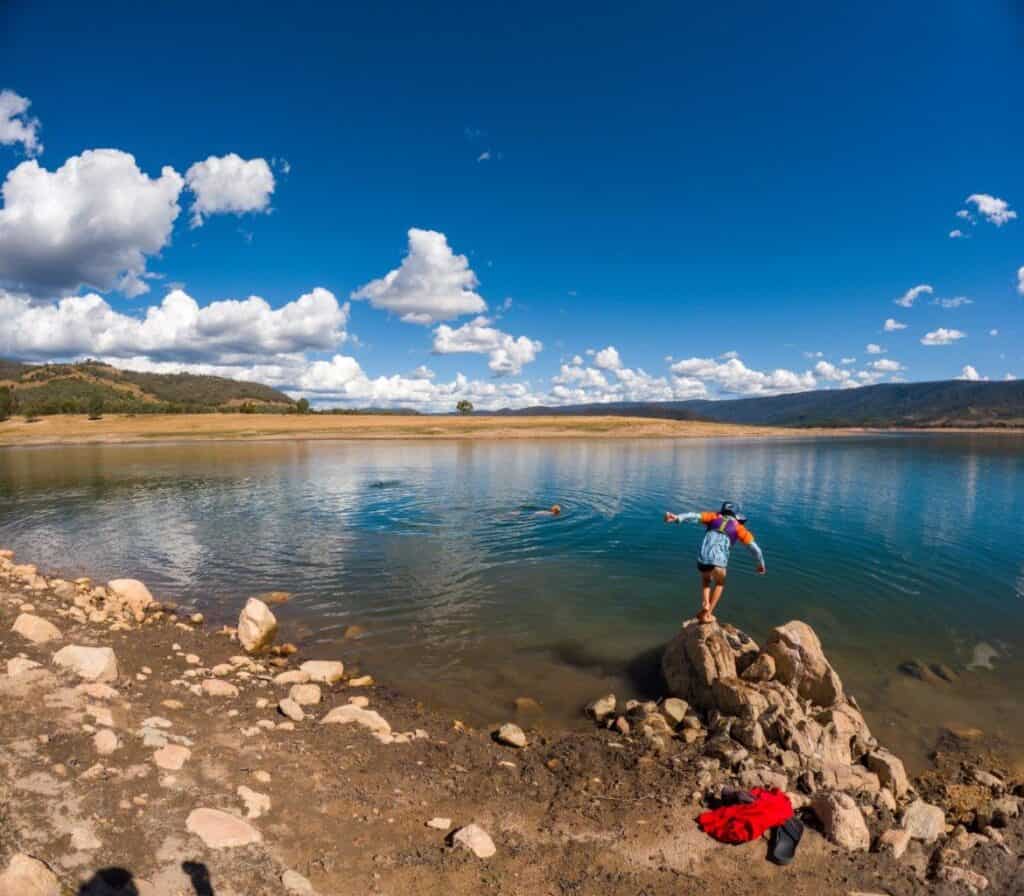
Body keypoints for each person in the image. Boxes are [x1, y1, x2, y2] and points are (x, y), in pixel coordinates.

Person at [664, 501, 765, 624]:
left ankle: (706, 603)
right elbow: (756, 549)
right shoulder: (739, 528)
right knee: (720, 583)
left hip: (703, 559)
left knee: (706, 580)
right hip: (719, 561)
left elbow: (693, 515)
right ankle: (708, 614)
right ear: (736, 515)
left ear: (722, 510)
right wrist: (760, 563)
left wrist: (677, 517)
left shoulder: (713, 517)